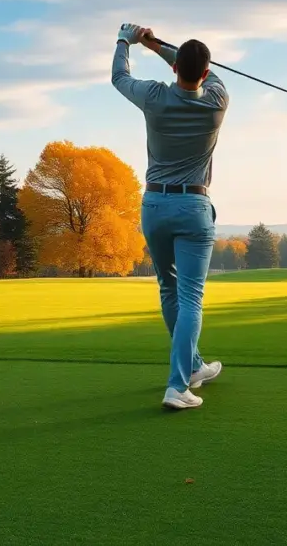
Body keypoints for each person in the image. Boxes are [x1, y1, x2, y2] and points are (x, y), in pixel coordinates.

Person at [112, 22, 228, 410]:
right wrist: (159, 46)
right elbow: (191, 68)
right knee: (191, 298)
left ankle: (193, 367)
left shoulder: (155, 97)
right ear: (206, 72)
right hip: (193, 208)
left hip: (155, 207)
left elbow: (118, 76)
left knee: (168, 287)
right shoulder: (216, 100)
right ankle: (177, 385)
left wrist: (129, 41)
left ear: (176, 70)